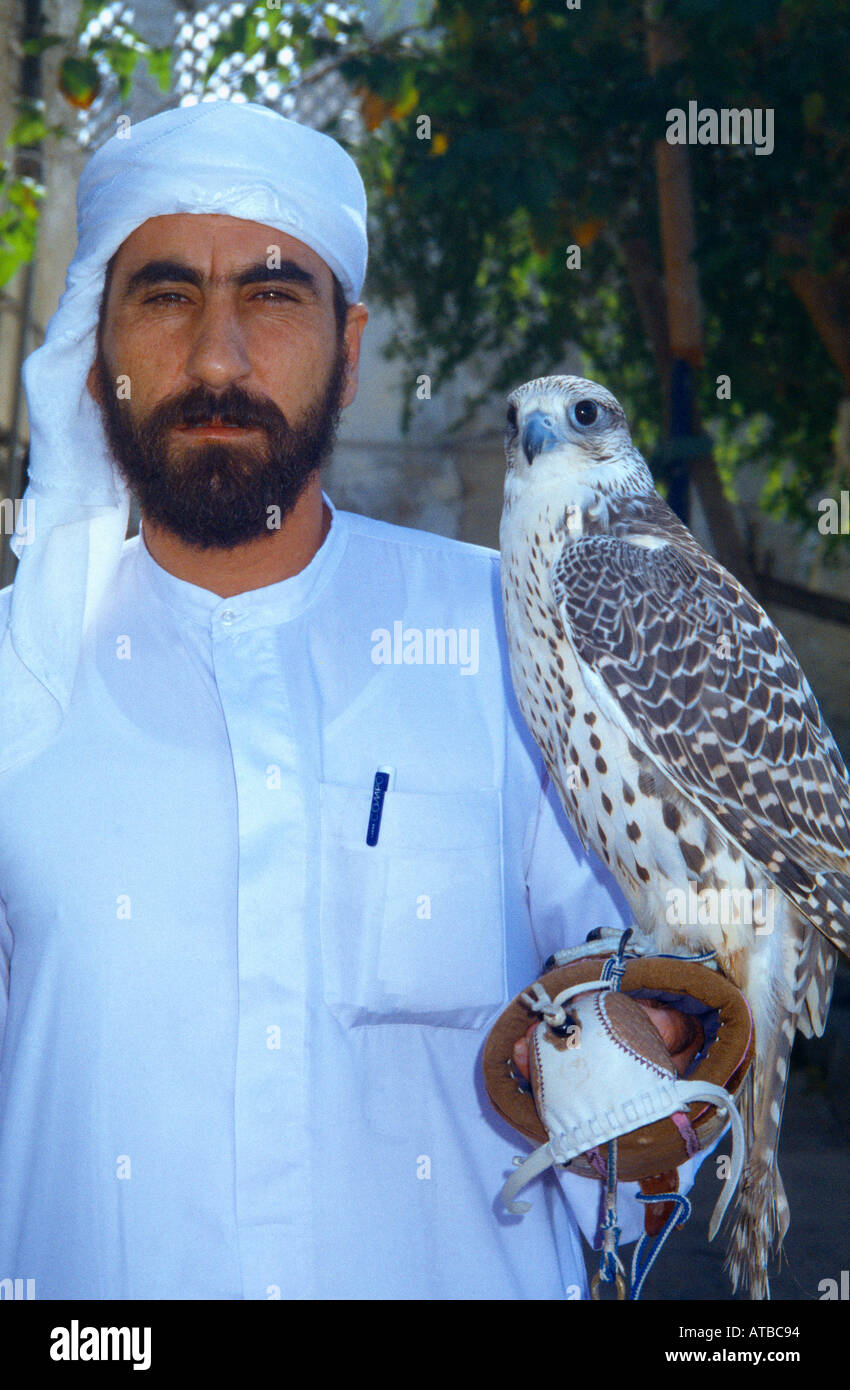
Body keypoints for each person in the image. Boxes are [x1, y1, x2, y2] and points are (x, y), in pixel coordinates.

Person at [0, 100, 699, 1300]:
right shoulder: (22, 679)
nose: (218, 357)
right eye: (166, 297)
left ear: (351, 339)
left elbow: (668, 997)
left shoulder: (513, 636)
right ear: (94, 343)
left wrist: (652, 1039)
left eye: (272, 296)